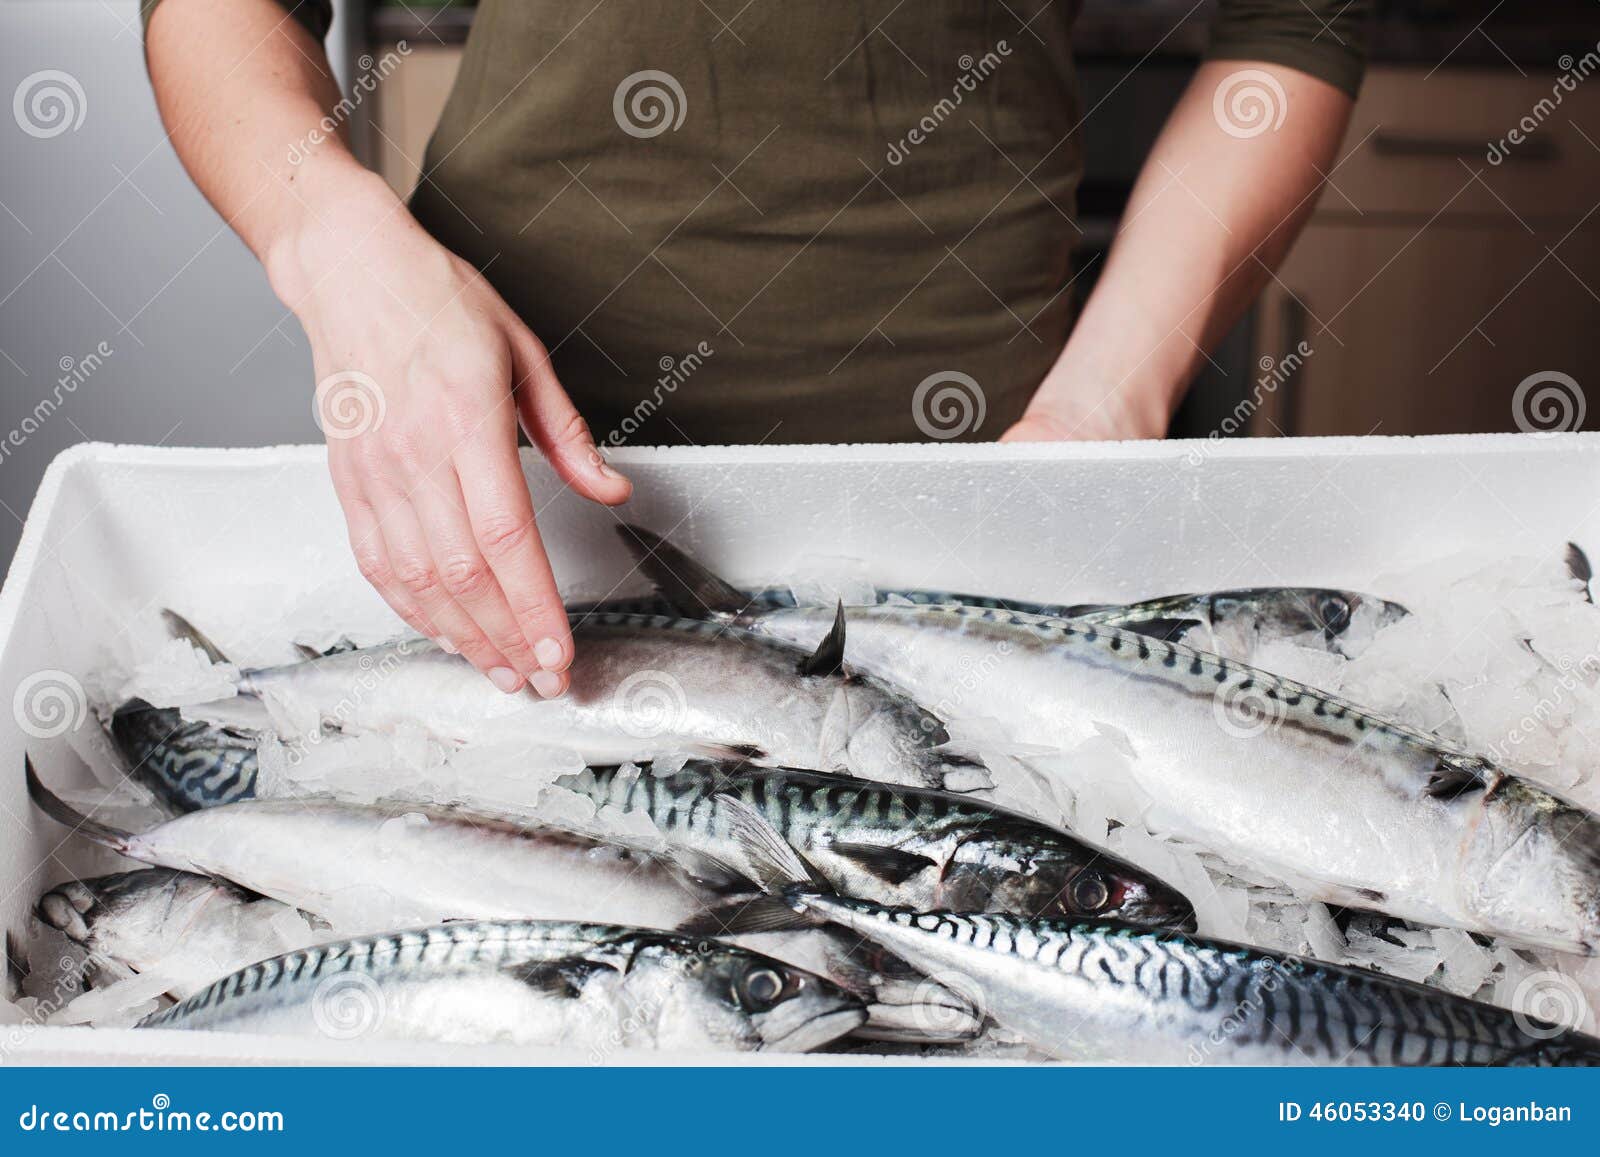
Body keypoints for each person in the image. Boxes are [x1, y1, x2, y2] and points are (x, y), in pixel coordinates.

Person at [141, 0, 1367, 697]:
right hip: (507, 456)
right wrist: (335, 244)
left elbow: (1297, 18)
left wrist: (1104, 403)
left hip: (984, 455)